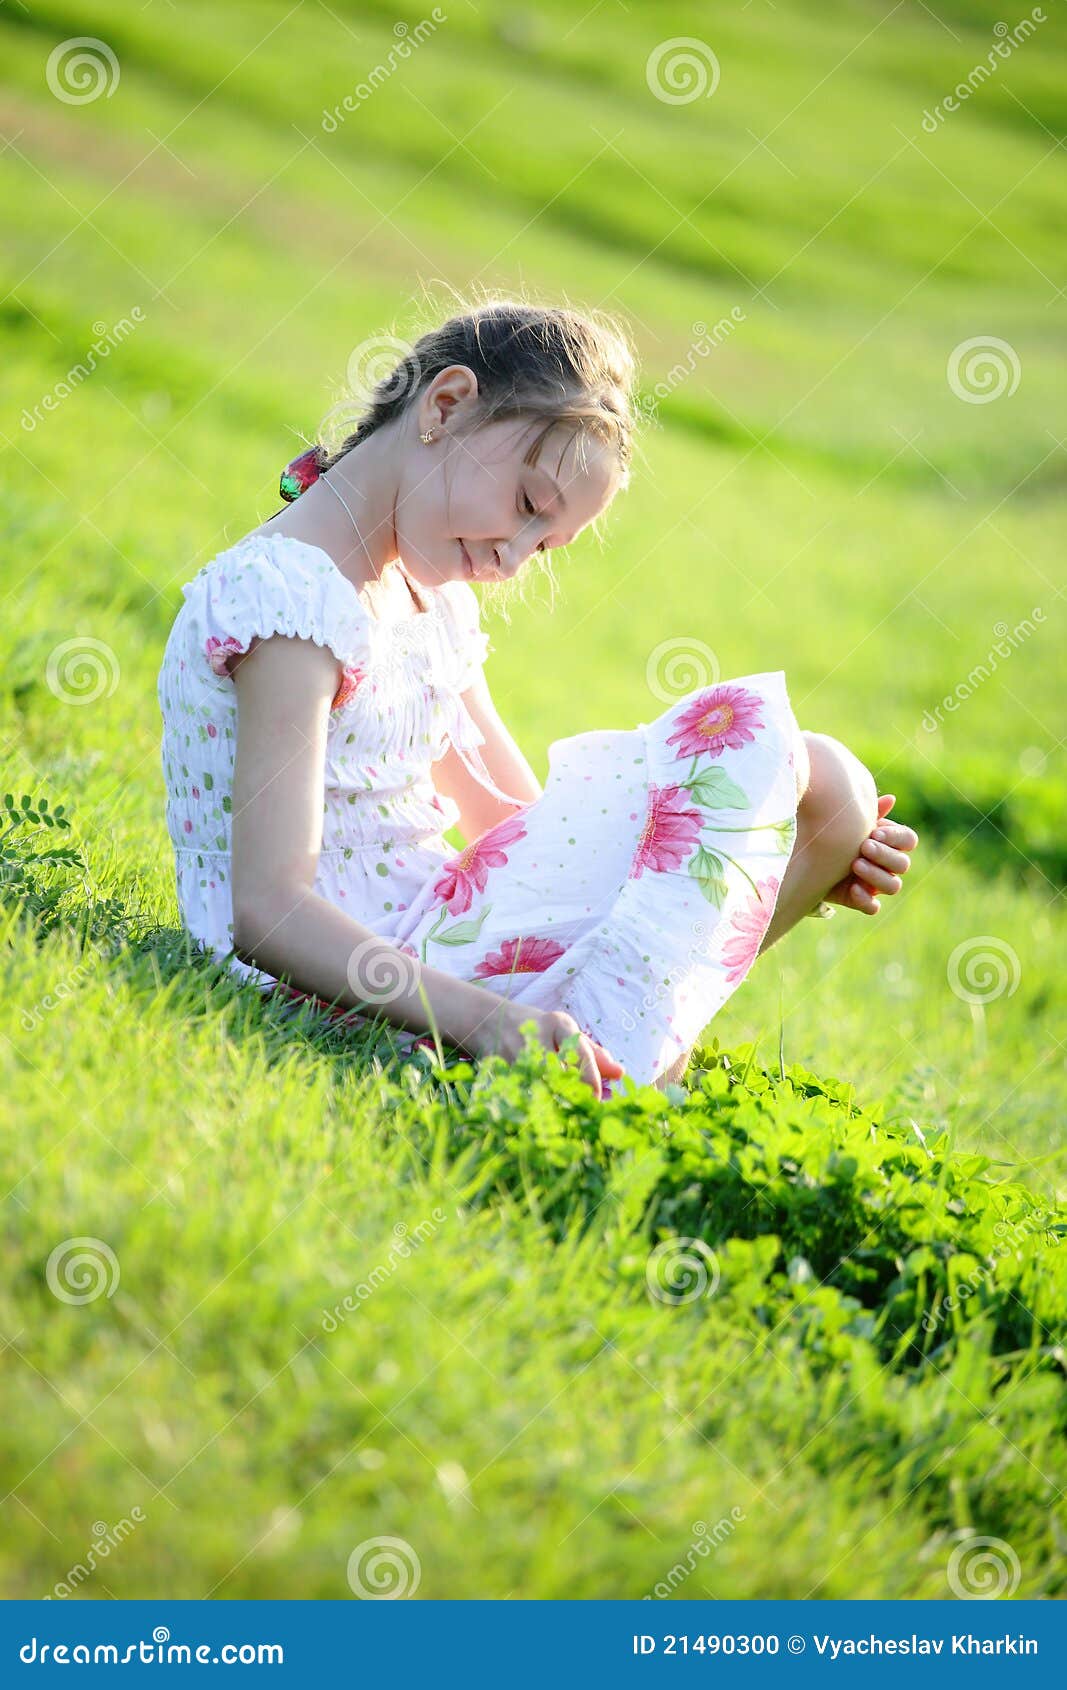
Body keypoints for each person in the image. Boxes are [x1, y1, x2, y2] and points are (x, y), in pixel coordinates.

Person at [157, 297, 917, 1099]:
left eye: (544, 545)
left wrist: (755, 857)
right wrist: (493, 1023)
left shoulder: (427, 601)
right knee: (758, 736)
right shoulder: (293, 598)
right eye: (526, 506)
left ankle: (613, 1049)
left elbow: (523, 829)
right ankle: (616, 1070)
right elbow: (268, 911)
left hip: (439, 938)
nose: (512, 559)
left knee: (829, 788)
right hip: (336, 983)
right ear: (445, 406)